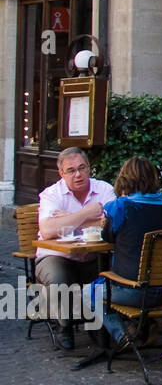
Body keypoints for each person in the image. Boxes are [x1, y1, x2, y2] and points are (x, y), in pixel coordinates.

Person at [36, 147, 115, 349]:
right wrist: (88, 213)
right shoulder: (51, 195)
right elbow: (47, 231)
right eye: (71, 170)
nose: (78, 174)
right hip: (56, 255)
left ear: (89, 168)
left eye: (82, 168)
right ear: (61, 174)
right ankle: (65, 325)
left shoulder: (104, 190)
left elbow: (111, 224)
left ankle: (99, 324)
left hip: (94, 254)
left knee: (114, 271)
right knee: (59, 276)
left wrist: (69, 220)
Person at [89, 157, 162, 344]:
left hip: (135, 291)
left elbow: (108, 236)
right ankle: (142, 326)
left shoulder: (121, 206)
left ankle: (123, 336)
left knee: (89, 291)